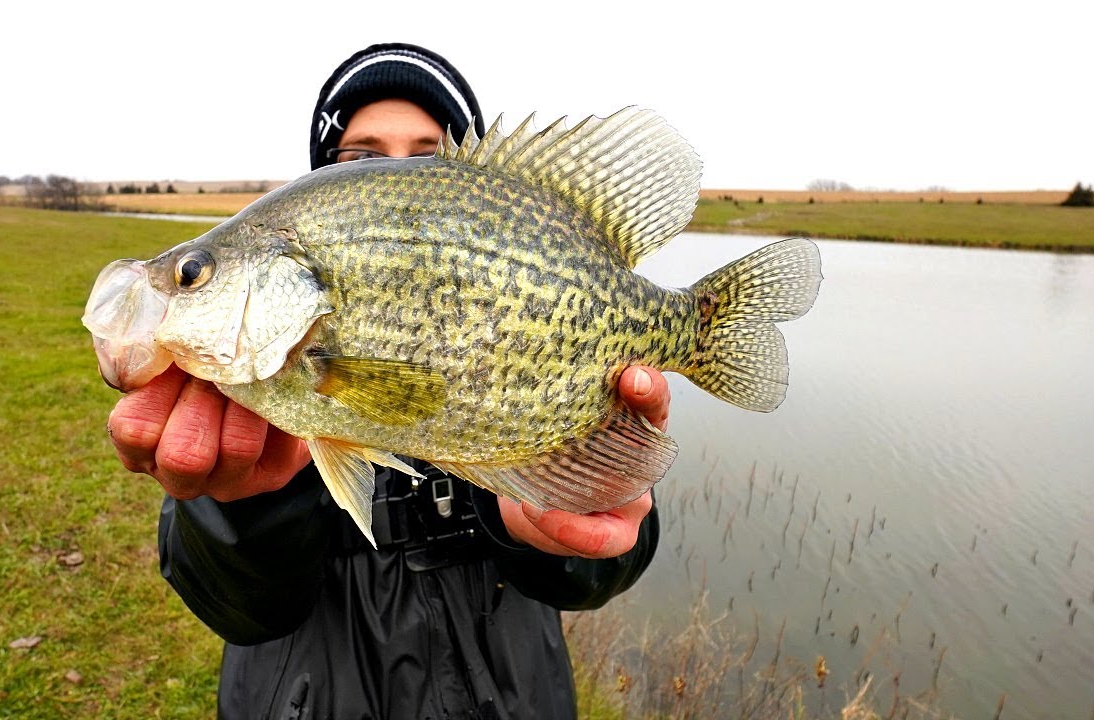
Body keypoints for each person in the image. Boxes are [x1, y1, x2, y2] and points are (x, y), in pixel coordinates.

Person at [106, 42, 673, 719]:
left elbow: (600, 570)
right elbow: (236, 607)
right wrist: (244, 504)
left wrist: (563, 515)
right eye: (363, 156)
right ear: (327, 184)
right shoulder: (245, 395)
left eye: (431, 153)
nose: (400, 171)